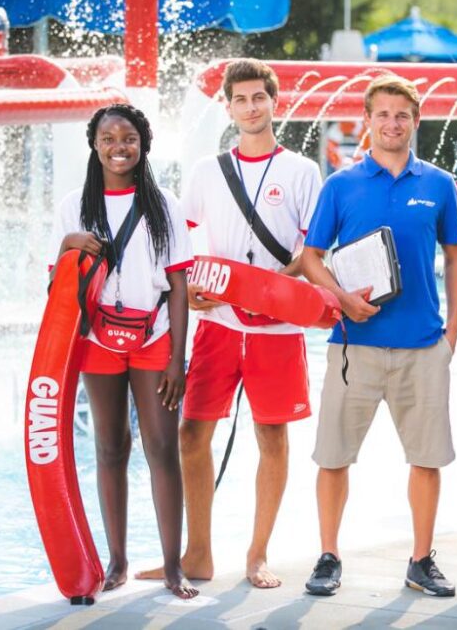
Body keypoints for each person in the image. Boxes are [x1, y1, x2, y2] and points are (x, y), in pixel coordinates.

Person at [136, 59, 321, 589]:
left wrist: (276, 288)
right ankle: (197, 555)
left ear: (275, 101)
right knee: (192, 434)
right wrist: (184, 286)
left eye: (259, 97)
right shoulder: (207, 171)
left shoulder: (302, 171)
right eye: (240, 99)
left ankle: (257, 555)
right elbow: (178, 236)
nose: (250, 107)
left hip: (276, 329)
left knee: (272, 436)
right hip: (217, 323)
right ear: (228, 107)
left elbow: (313, 247)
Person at [300, 74, 457, 598]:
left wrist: (452, 331)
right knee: (333, 457)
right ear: (367, 121)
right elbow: (311, 257)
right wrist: (341, 298)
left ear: (416, 121)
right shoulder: (340, 185)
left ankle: (421, 560)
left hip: (423, 347)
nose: (392, 123)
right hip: (354, 346)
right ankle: (328, 557)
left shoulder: (439, 184)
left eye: (402, 115)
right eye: (383, 114)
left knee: (426, 459)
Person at [51, 104, 196, 599]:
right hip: (98, 340)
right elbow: (57, 281)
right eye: (109, 138)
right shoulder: (75, 206)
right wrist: (70, 242)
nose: (119, 147)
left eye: (129, 138)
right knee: (110, 447)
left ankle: (173, 566)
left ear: (143, 144)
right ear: (94, 145)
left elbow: (179, 286)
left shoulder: (164, 204)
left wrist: (177, 359)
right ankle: (117, 561)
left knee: (162, 448)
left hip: (154, 338)